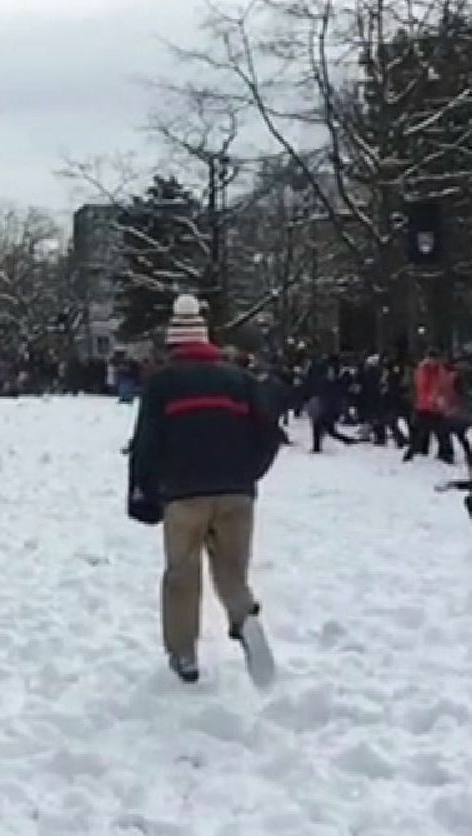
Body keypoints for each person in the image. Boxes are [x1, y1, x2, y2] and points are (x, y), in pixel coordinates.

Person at [128, 294, 281, 686]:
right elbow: (268, 433)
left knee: (182, 573)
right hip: (236, 492)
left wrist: (143, 489)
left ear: (173, 345)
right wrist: (249, 473)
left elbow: (147, 441)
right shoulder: (241, 381)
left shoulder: (162, 383)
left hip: (184, 492)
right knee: (232, 572)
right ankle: (245, 619)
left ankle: (184, 654)